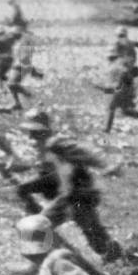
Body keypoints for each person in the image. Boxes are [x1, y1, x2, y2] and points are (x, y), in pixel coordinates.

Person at [17, 108, 121, 260]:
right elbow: (49, 178)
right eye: (31, 133)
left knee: (93, 234)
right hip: (68, 197)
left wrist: (105, 165)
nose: (32, 137)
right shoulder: (44, 151)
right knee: (93, 235)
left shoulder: (55, 144)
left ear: (44, 131)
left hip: (78, 196)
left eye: (35, 132)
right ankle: (36, 265)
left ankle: (116, 259)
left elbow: (84, 153)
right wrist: (28, 186)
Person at [105, 47, 138, 132]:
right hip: (121, 91)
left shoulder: (119, 66)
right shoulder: (115, 66)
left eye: (111, 57)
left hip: (121, 91)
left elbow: (128, 79)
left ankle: (106, 129)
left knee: (112, 109)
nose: (109, 59)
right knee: (122, 110)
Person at [7, 29, 42, 110]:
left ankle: (28, 96)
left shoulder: (25, 45)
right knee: (11, 85)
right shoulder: (24, 45)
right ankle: (18, 103)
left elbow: (25, 59)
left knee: (12, 84)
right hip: (20, 66)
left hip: (21, 66)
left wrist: (31, 70)